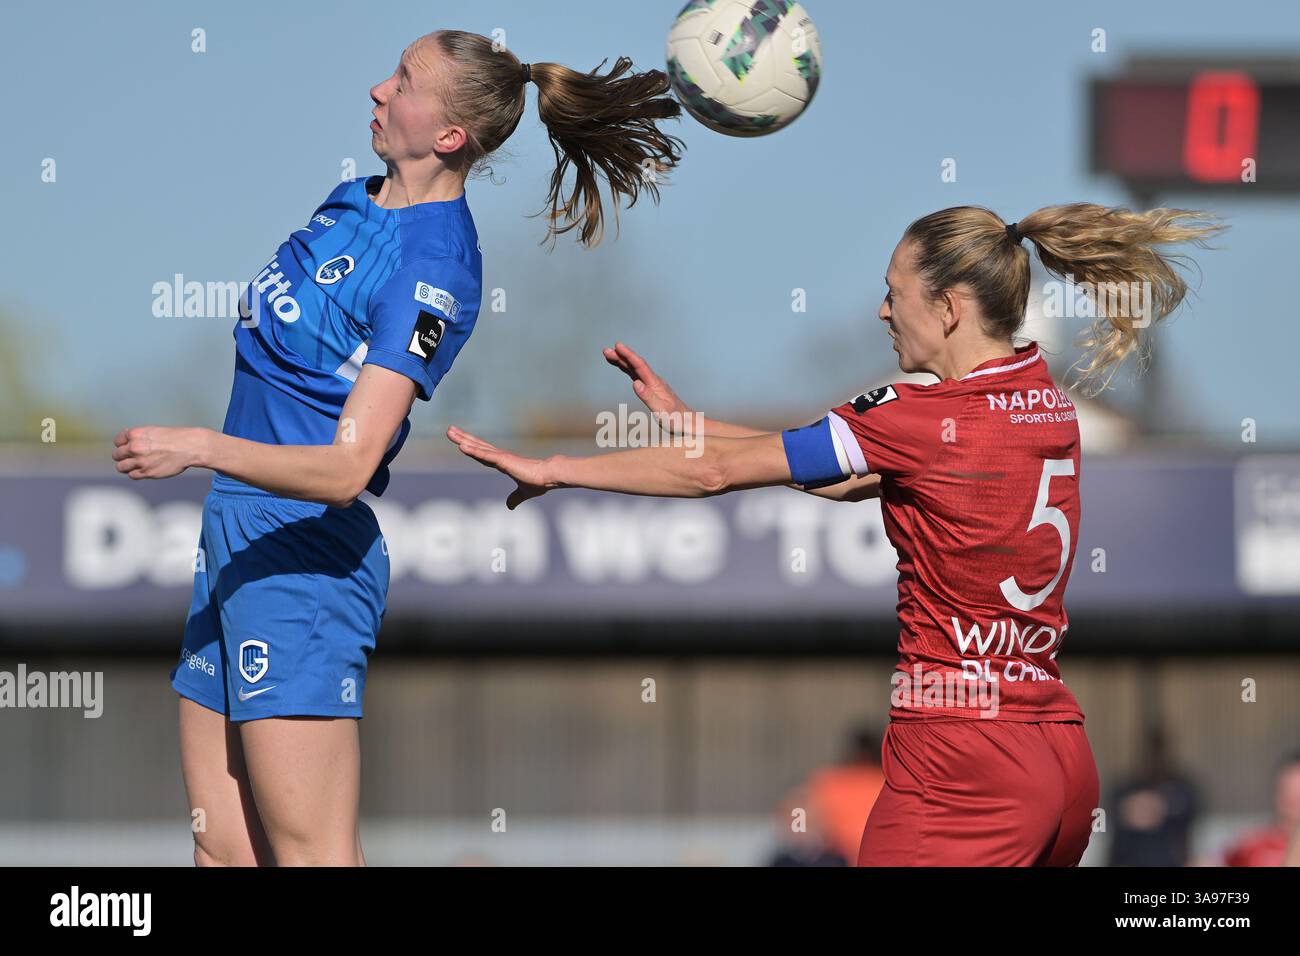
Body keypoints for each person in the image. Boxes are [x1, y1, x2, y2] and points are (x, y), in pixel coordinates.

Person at [448, 202, 1224, 866]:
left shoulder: (916, 416)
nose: (883, 312)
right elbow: (847, 471)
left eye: (895, 295)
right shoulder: (1040, 400)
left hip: (961, 761)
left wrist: (559, 470)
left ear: (949, 306)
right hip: (1057, 754)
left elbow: (716, 475)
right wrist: (694, 426)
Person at [111, 30, 683, 866]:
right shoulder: (350, 197)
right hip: (233, 536)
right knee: (226, 854)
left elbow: (346, 469)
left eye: (404, 83)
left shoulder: (436, 268)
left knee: (312, 857)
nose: (377, 90)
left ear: (450, 135)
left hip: (302, 557)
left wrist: (202, 444)